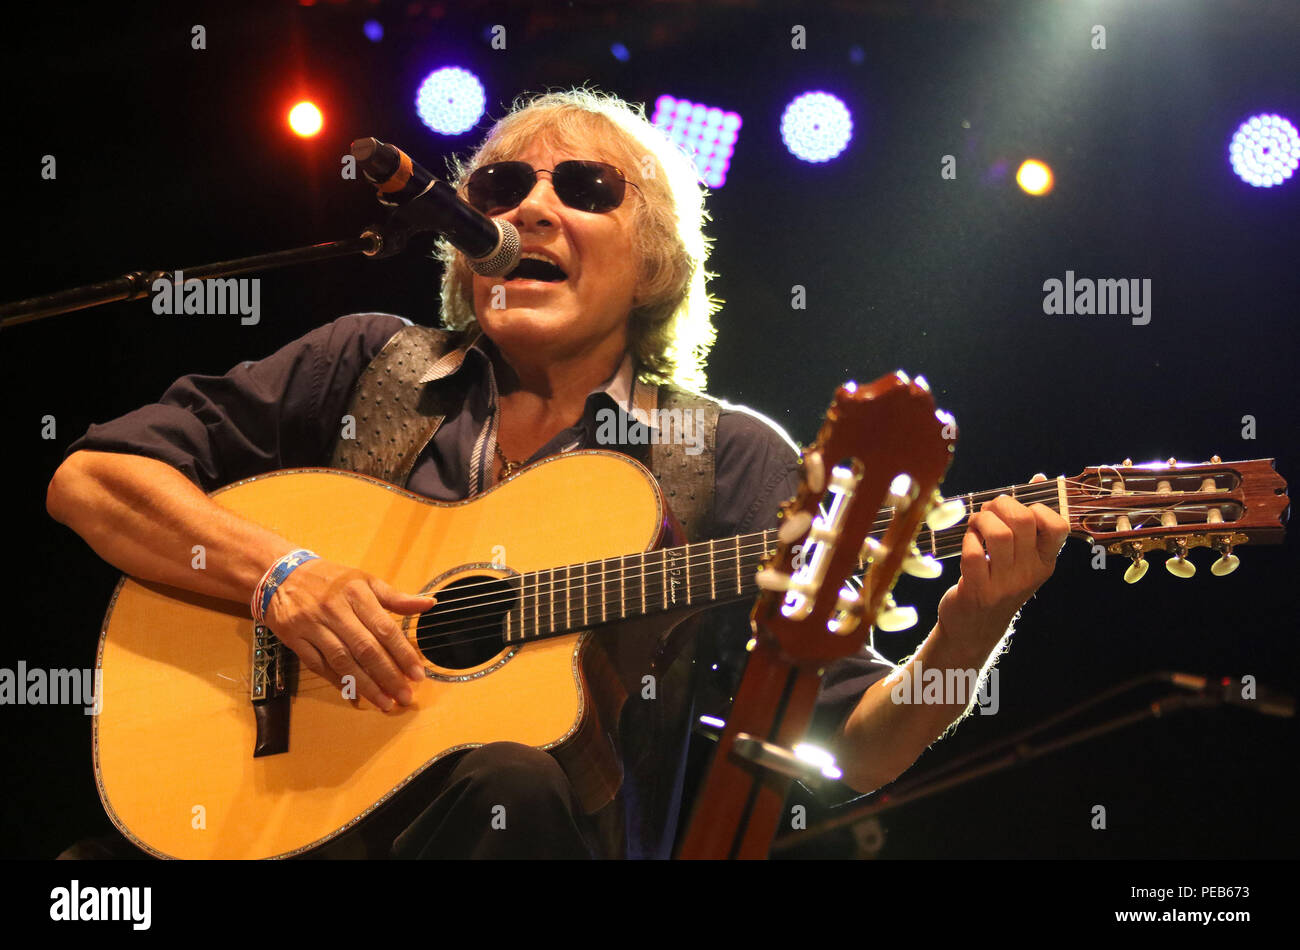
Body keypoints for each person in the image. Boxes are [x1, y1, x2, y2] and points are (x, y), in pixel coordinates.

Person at [46, 89, 1070, 859]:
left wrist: (971, 628)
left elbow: (861, 749)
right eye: (499, 187)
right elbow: (92, 479)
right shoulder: (368, 363)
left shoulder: (726, 455)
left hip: (530, 838)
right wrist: (280, 575)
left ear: (657, 262)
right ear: (461, 240)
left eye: (582, 188)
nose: (531, 208)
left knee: (510, 774)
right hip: (268, 810)